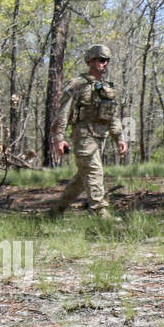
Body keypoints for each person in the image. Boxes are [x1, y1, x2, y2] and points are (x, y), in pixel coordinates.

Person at [50, 44, 127, 220]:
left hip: (101, 138)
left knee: (81, 179)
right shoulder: (77, 84)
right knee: (94, 170)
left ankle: (56, 212)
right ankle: (99, 212)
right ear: (90, 61)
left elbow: (113, 116)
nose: (105, 64)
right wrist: (58, 138)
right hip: (83, 134)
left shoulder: (107, 88)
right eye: (101, 60)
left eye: (107, 61)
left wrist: (119, 138)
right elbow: (63, 112)